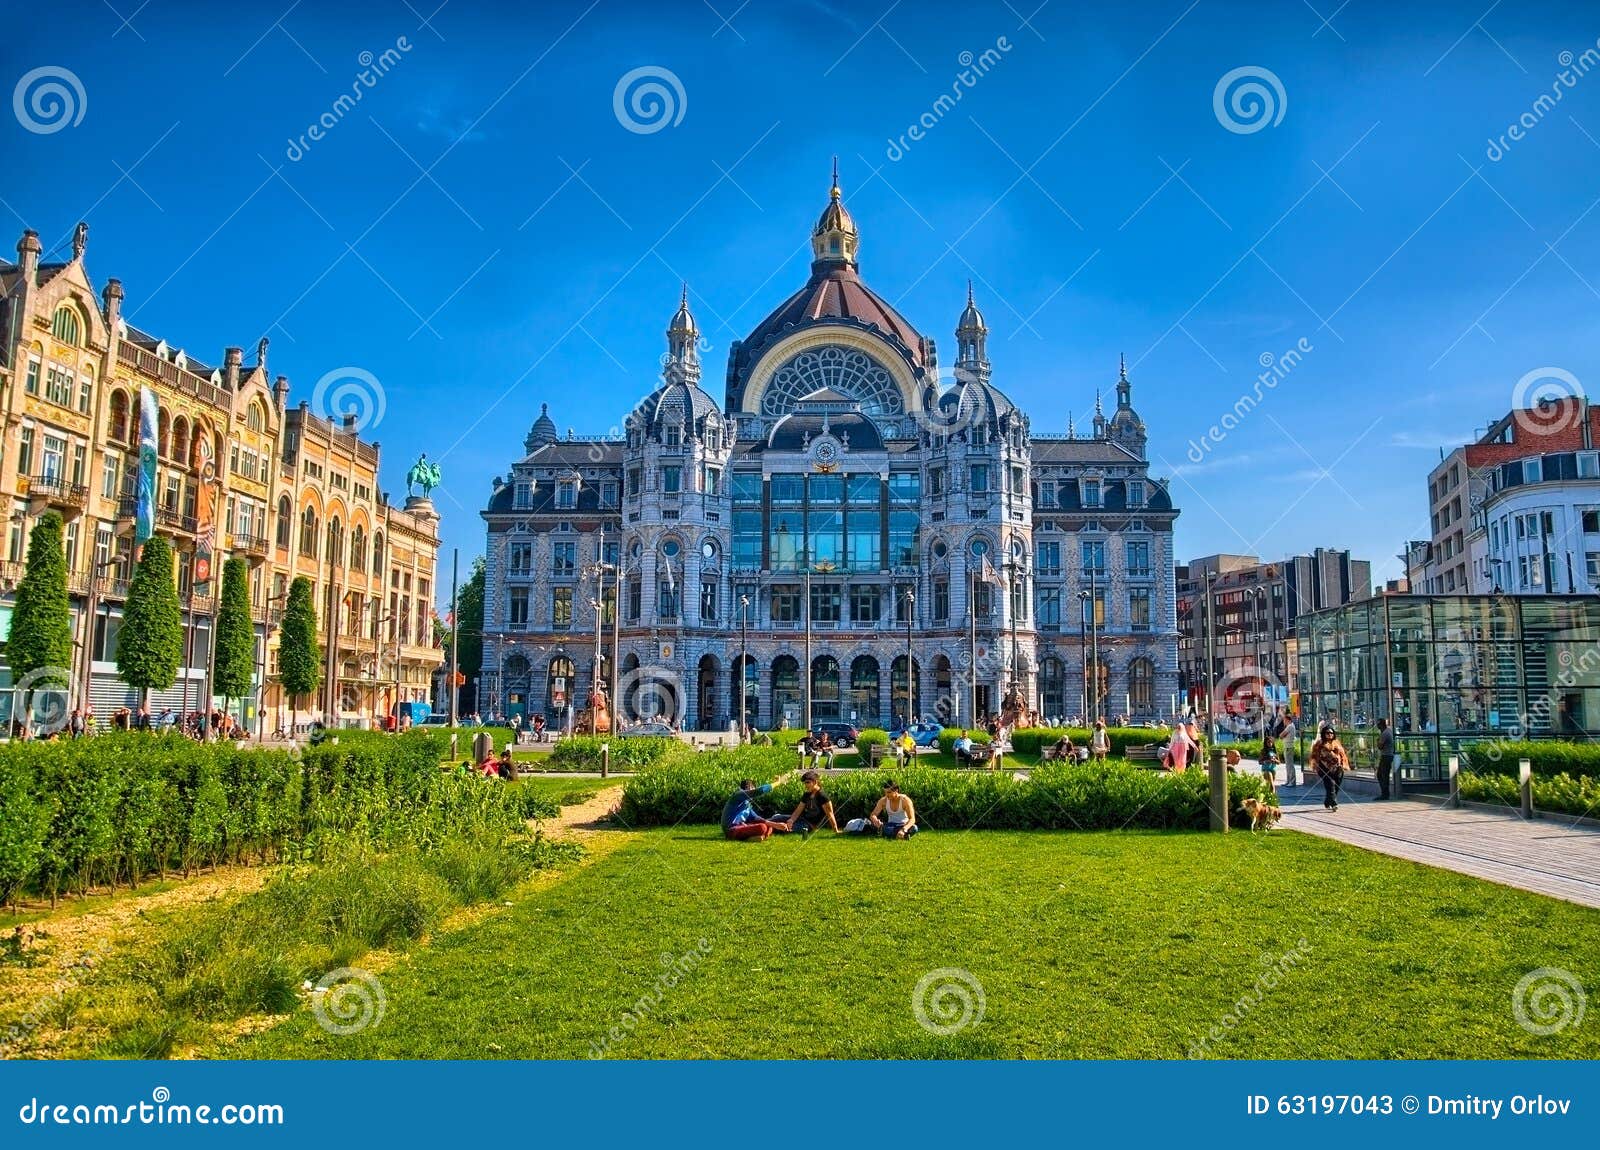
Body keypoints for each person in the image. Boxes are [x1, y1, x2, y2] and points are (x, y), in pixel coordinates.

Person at [721, 779, 791, 841]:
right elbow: (759, 791)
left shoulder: (747, 805)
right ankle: (751, 838)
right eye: (750, 789)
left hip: (742, 826)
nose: (752, 794)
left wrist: (776, 825)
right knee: (762, 827)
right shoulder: (738, 795)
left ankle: (756, 837)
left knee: (769, 826)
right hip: (731, 830)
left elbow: (757, 818)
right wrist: (778, 782)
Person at [785, 770, 839, 836]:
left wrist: (836, 830)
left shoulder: (822, 796)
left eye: (808, 782)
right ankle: (770, 824)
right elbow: (798, 811)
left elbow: (830, 814)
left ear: (815, 782)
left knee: (784, 827)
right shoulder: (806, 794)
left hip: (810, 825)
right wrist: (791, 820)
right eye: (804, 783)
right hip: (802, 820)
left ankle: (770, 826)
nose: (806, 785)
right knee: (776, 817)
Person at [1310, 724, 1349, 811]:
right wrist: (1315, 765)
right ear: (1324, 733)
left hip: (1337, 769)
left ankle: (1328, 801)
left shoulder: (1336, 743)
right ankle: (1334, 803)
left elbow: (1342, 754)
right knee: (1331, 784)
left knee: (1336, 786)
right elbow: (1314, 755)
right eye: (1327, 733)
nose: (1329, 735)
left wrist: (1343, 764)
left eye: (1331, 733)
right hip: (1324, 768)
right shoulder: (1319, 744)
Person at [1375, 717, 1395, 800]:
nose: (1377, 726)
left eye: (1378, 724)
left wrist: (1377, 741)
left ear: (1381, 725)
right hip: (1388, 755)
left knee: (1382, 775)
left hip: (1386, 756)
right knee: (1383, 775)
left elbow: (1380, 746)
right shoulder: (1388, 731)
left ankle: (1385, 793)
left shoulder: (1384, 733)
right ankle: (1385, 793)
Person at [1279, 713, 1299, 787]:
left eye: (1284, 720)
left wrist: (1283, 736)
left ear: (1288, 720)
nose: (1283, 722)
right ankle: (1288, 780)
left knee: (1290, 765)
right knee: (1287, 765)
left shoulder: (1290, 726)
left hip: (1289, 747)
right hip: (1287, 746)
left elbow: (1281, 735)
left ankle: (1292, 781)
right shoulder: (1290, 726)